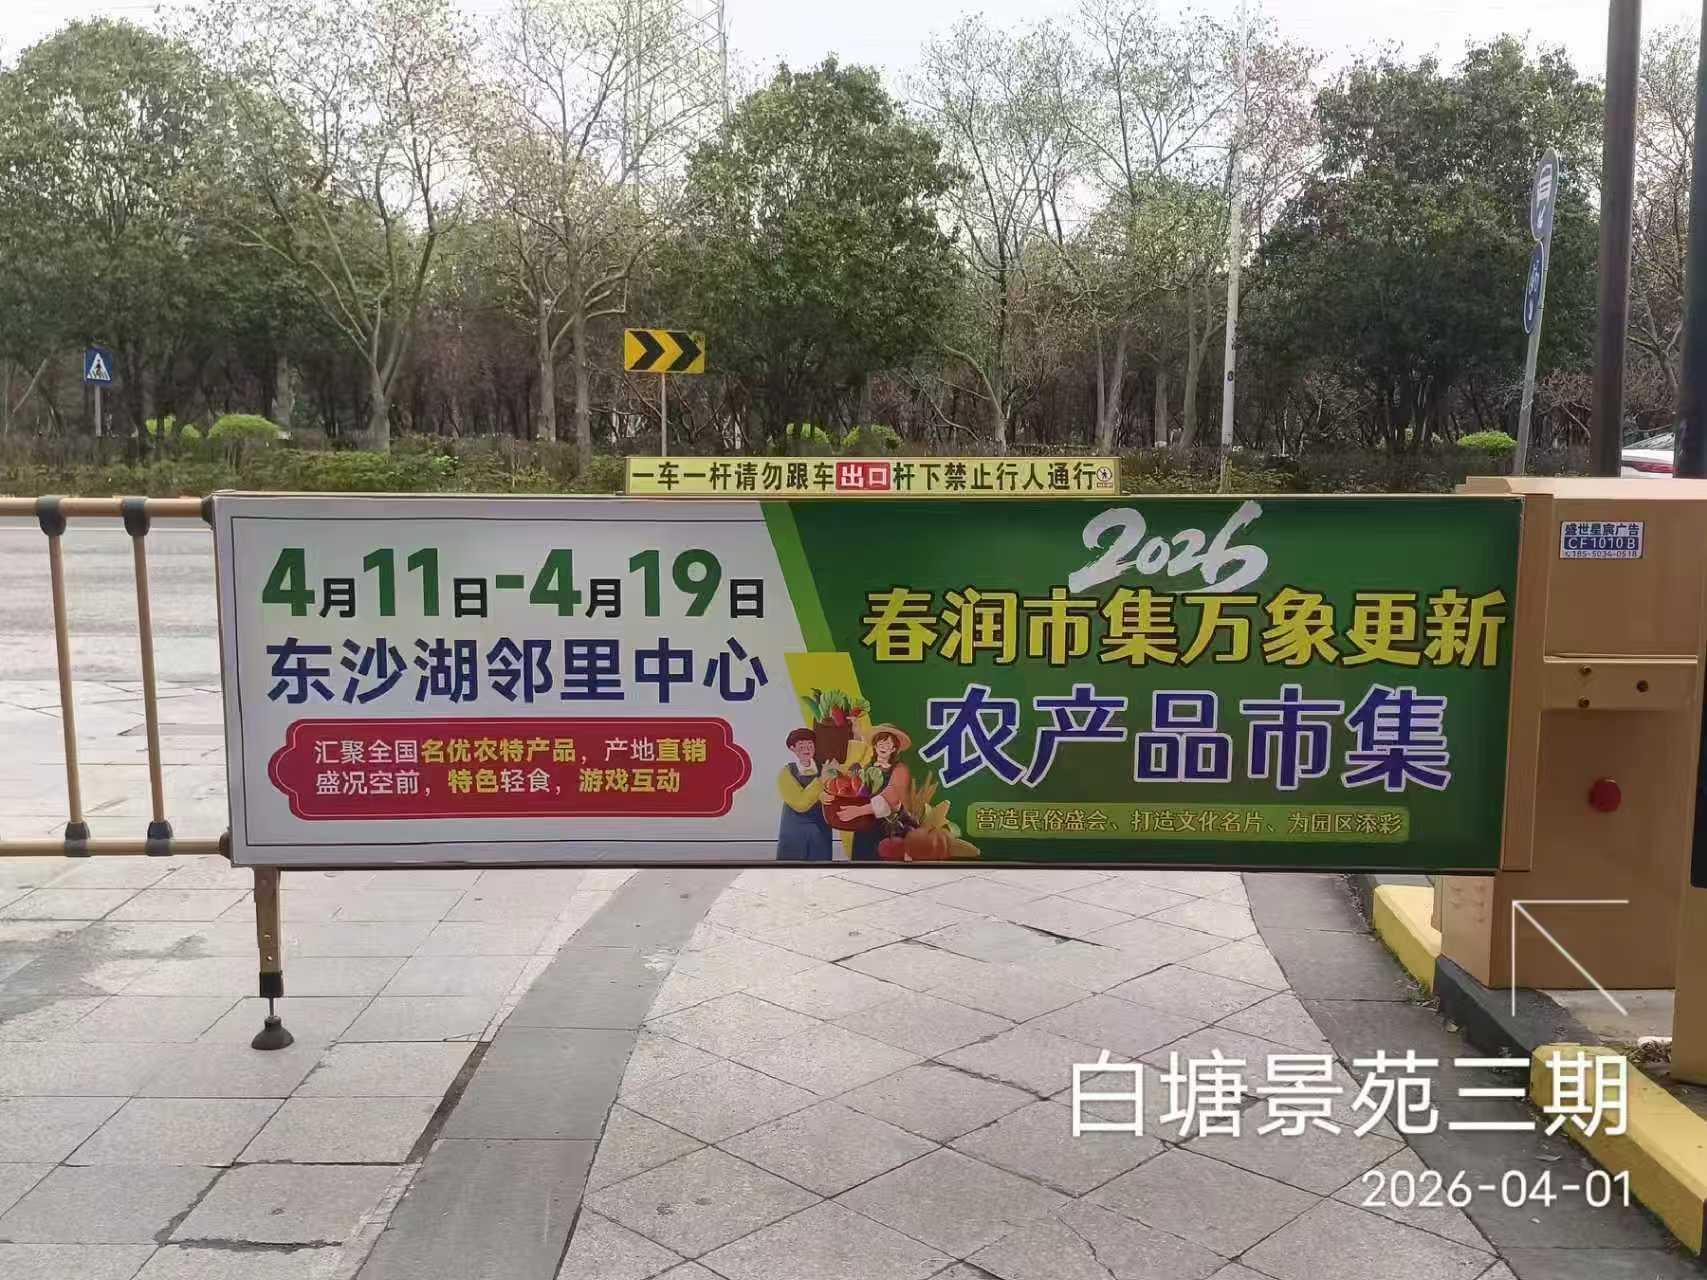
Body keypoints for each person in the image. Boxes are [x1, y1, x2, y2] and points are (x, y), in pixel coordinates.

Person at [834, 722, 912, 860]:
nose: (884, 747)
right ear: (875, 746)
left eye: (888, 744)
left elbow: (891, 798)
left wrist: (859, 811)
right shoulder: (866, 768)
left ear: (894, 749)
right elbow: (853, 790)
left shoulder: (900, 769)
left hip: (890, 829)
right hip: (865, 827)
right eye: (881, 743)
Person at [776, 728, 832, 861]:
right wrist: (820, 785)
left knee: (821, 868)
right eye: (801, 746)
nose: (806, 749)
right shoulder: (786, 772)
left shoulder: (826, 768)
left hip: (820, 832)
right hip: (794, 831)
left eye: (810, 745)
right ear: (792, 748)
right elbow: (800, 803)